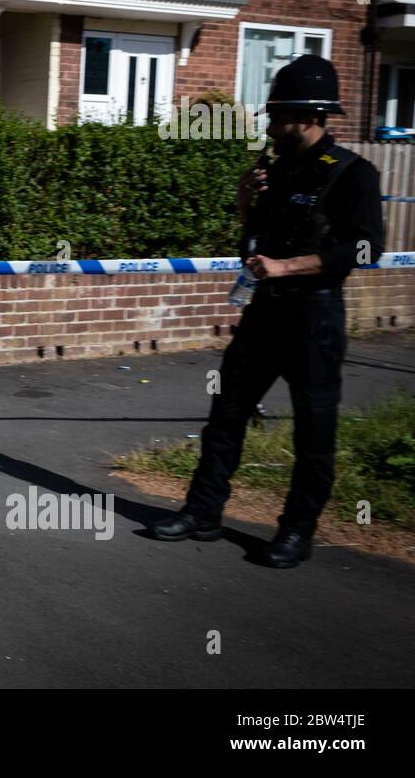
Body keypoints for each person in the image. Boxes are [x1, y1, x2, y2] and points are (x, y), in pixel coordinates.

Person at [148, 56, 384, 567]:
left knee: (313, 433)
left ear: (309, 116)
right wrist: (243, 204)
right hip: (264, 313)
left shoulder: (353, 175)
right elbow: (252, 248)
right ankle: (202, 513)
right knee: (225, 416)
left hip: (315, 319)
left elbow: (365, 250)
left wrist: (289, 267)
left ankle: (296, 531)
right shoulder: (273, 171)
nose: (270, 127)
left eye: (278, 117)